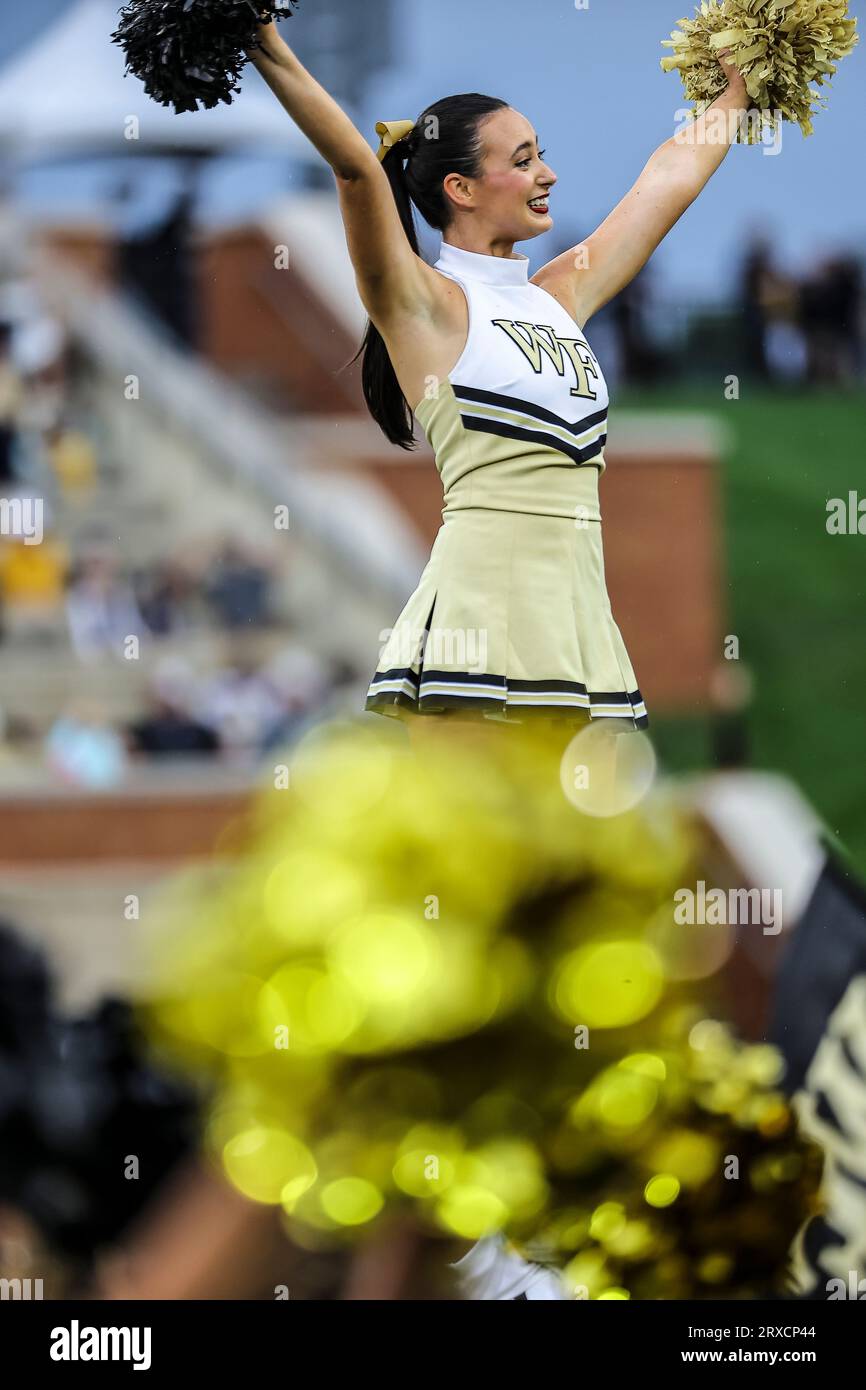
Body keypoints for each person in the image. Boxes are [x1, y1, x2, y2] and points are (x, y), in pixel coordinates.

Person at [249, 20, 749, 1298]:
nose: (545, 172)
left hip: (574, 637)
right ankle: (433, 1224)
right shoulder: (420, 301)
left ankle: (537, 1212)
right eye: (521, 158)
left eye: (543, 155)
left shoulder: (558, 291)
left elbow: (666, 183)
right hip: (472, 630)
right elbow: (361, 175)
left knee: (578, 917)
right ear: (460, 187)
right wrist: (254, 35)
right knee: (466, 911)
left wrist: (743, 84)